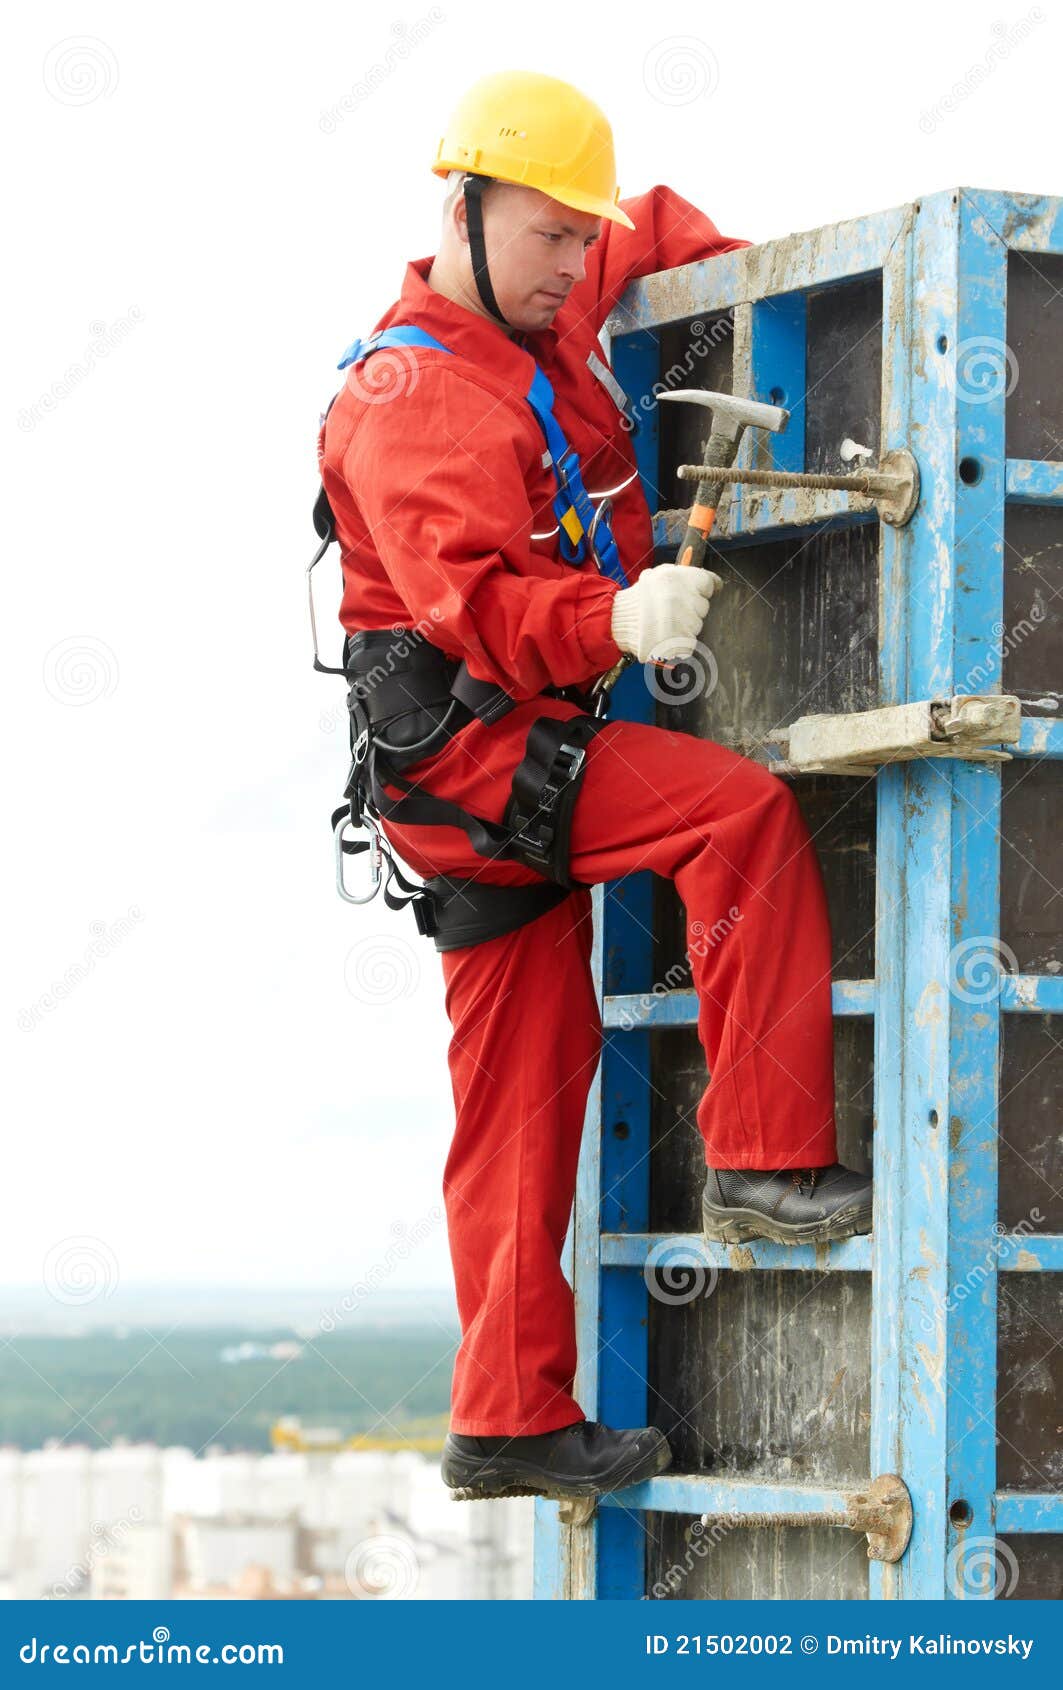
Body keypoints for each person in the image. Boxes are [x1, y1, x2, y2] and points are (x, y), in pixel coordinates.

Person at [317, 69, 873, 1502]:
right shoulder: (409, 395)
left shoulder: (549, 278)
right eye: (551, 237)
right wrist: (614, 623)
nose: (577, 267)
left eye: (582, 237)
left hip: (493, 772)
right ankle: (765, 1153)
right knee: (734, 815)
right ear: (465, 204)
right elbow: (481, 603)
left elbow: (657, 228)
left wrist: (830, 292)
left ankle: (505, 1419)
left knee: (516, 1107)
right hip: (486, 757)